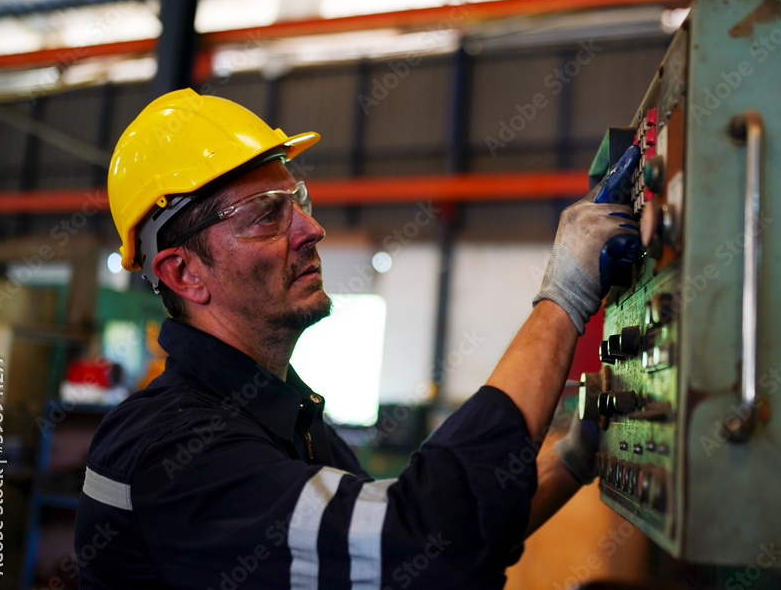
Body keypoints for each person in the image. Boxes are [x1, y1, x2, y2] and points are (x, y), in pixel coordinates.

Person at [75, 88, 640, 589]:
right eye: (266, 215)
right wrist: (564, 296)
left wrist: (570, 460)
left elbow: (434, 532)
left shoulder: (283, 414)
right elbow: (415, 546)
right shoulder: (171, 451)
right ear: (184, 274)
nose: (311, 229)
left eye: (296, 199)